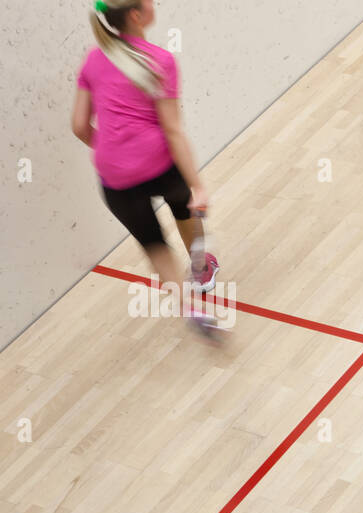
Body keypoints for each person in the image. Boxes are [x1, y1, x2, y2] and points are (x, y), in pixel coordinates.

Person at [71, 0, 221, 335]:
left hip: (114, 179)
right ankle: (200, 268)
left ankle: (189, 308)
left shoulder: (93, 60)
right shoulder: (160, 60)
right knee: (185, 207)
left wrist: (116, 152)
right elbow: (172, 130)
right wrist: (197, 186)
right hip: (159, 164)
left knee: (154, 245)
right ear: (137, 15)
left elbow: (80, 126)